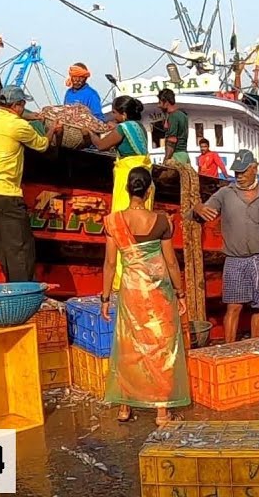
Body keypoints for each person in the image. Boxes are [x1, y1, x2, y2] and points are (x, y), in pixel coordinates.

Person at [100, 167, 190, 425]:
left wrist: (105, 299)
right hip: (157, 293)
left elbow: (109, 263)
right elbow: (171, 263)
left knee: (129, 345)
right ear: (149, 190)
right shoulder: (162, 221)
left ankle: (125, 407)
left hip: (130, 292)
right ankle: (162, 412)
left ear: (128, 190)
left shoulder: (113, 221)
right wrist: (180, 293)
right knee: (161, 346)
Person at [192, 150, 259, 342]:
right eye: (236, 172)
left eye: (243, 171)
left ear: (254, 168)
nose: (238, 176)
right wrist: (197, 208)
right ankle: (229, 348)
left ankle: (255, 344)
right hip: (235, 259)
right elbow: (199, 213)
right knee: (234, 306)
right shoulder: (225, 194)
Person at [0, 86, 62, 282]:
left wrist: (31, 117)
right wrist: (51, 130)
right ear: (17, 105)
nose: (24, 109)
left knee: (3, 248)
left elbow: (14, 120)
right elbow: (41, 145)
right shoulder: (19, 126)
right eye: (22, 105)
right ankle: (24, 296)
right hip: (6, 194)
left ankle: (12, 290)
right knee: (21, 248)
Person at [90, 96, 154, 290]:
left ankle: (120, 278)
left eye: (116, 113)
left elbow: (101, 146)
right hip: (145, 176)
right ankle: (140, 273)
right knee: (141, 228)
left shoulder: (122, 128)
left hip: (128, 177)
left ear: (124, 114)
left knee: (122, 224)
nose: (114, 116)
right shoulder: (139, 127)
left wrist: (90, 133)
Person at [157, 88, 190, 165]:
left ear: (166, 102)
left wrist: (165, 161)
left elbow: (172, 140)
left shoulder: (173, 116)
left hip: (176, 156)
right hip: (184, 155)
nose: (158, 105)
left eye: (160, 102)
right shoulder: (183, 115)